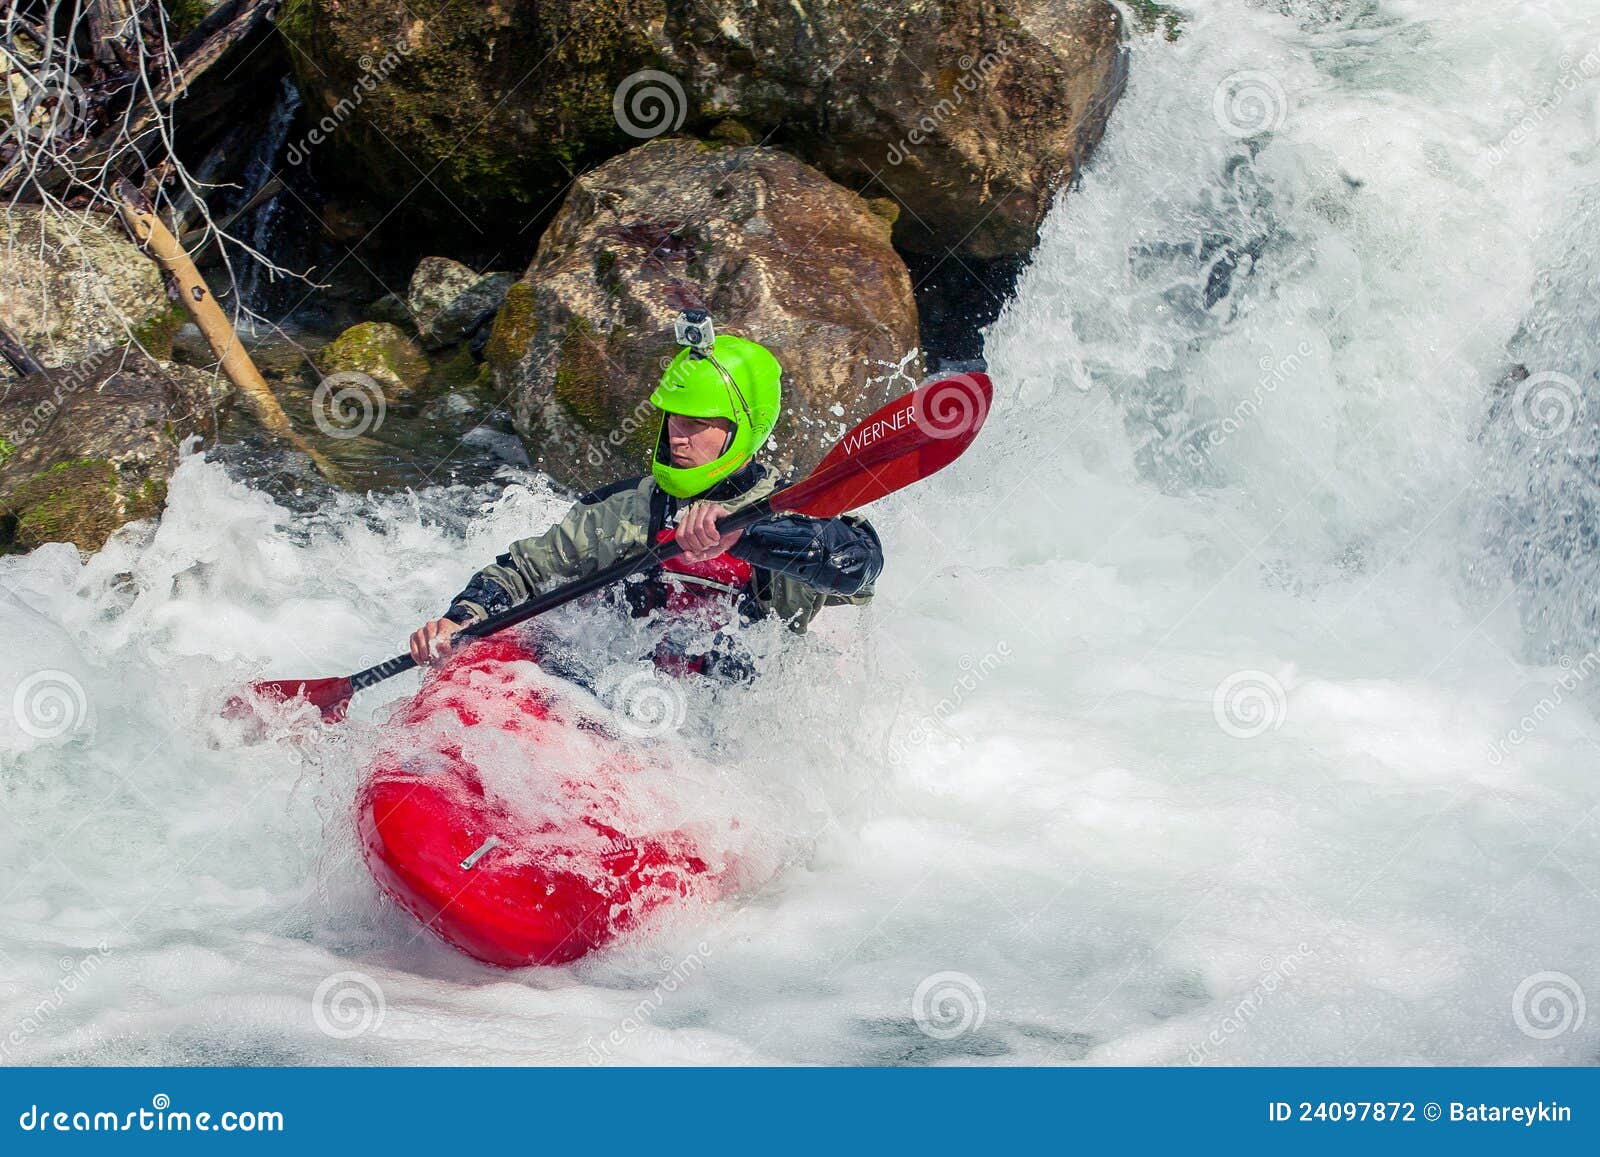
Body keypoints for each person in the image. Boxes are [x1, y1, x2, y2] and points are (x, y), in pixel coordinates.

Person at [409, 316, 884, 680]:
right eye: (673, 418)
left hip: (726, 726)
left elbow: (859, 568)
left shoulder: (799, 513)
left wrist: (746, 536)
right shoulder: (627, 508)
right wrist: (461, 620)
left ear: (743, 430)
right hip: (618, 694)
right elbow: (522, 571)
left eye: (696, 423)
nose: (676, 436)